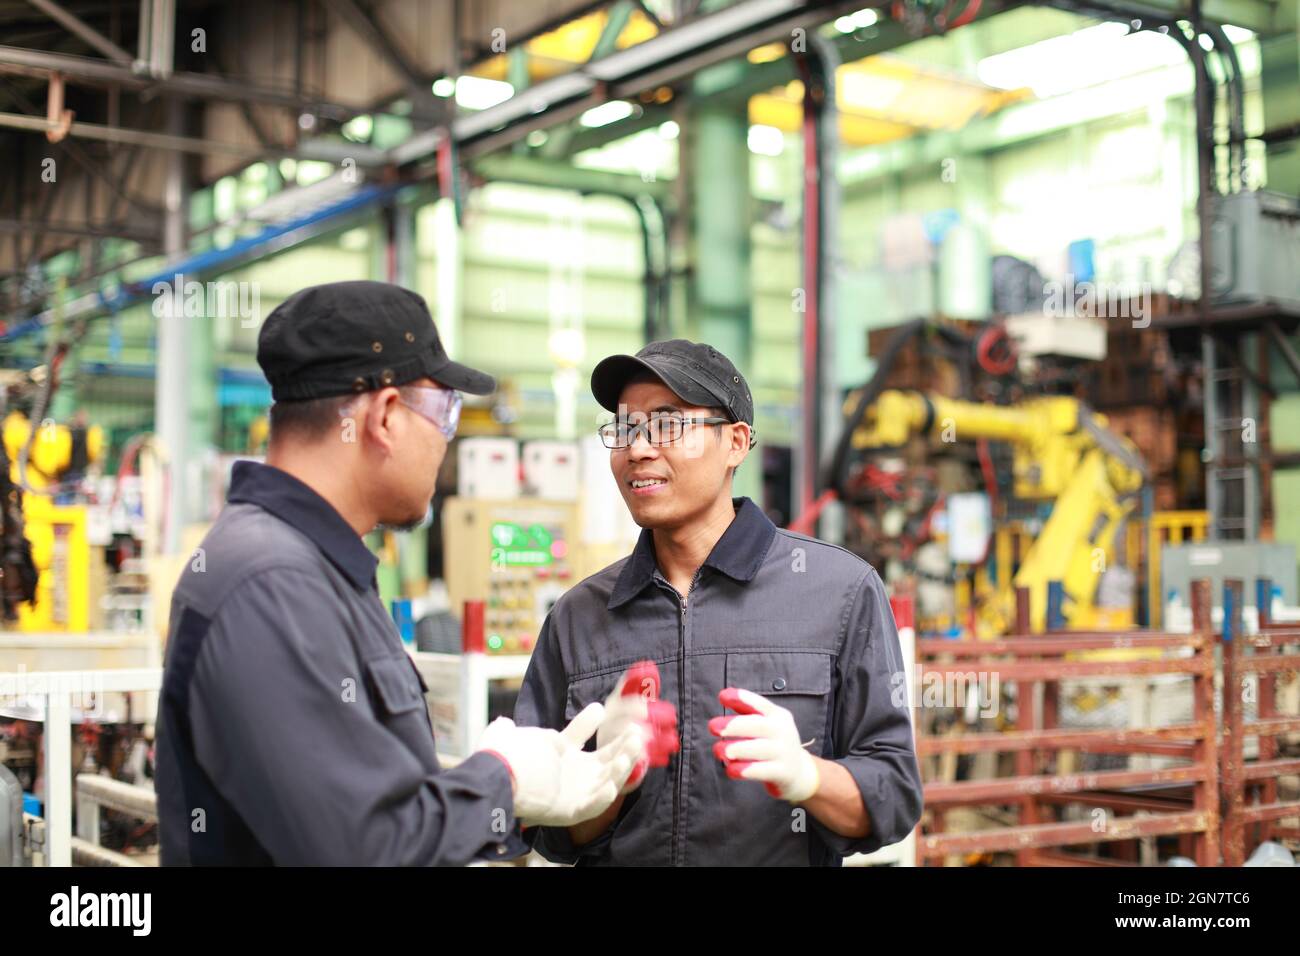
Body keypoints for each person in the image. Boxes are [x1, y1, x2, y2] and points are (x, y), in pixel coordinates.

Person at [154, 280, 645, 865]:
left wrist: (501, 796)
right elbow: (360, 847)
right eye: (445, 412)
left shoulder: (318, 570)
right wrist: (501, 782)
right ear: (386, 416)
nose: (446, 441)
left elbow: (366, 800)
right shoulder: (273, 583)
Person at [515, 339, 923, 865]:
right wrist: (607, 782)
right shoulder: (579, 616)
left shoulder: (839, 591)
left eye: (666, 424)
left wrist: (806, 777)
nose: (638, 448)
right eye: (625, 428)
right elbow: (544, 831)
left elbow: (892, 797)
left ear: (736, 442)